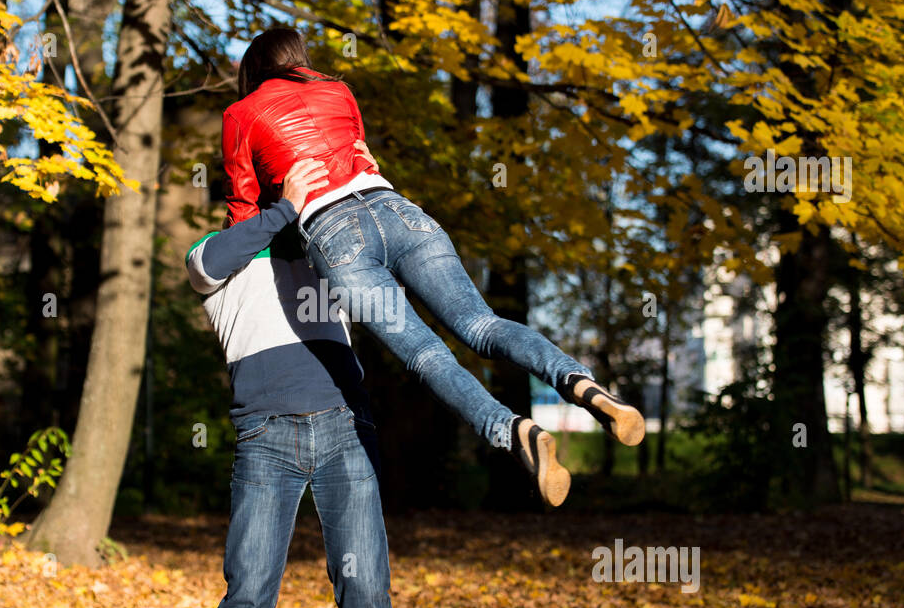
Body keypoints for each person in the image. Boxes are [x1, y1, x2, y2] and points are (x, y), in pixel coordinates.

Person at [220, 26, 646, 507]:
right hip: (398, 210)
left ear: (254, 69)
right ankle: (584, 385)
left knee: (427, 355)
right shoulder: (339, 90)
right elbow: (359, 157)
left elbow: (243, 211)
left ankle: (515, 432)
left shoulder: (241, 112)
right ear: (298, 56)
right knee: (483, 325)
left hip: (334, 234)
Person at [186, 160, 400, 608]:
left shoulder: (323, 252)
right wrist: (281, 207)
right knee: (249, 591)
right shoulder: (216, 254)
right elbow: (208, 263)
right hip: (265, 437)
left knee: (365, 586)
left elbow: (384, 255)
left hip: (343, 428)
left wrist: (367, 188)